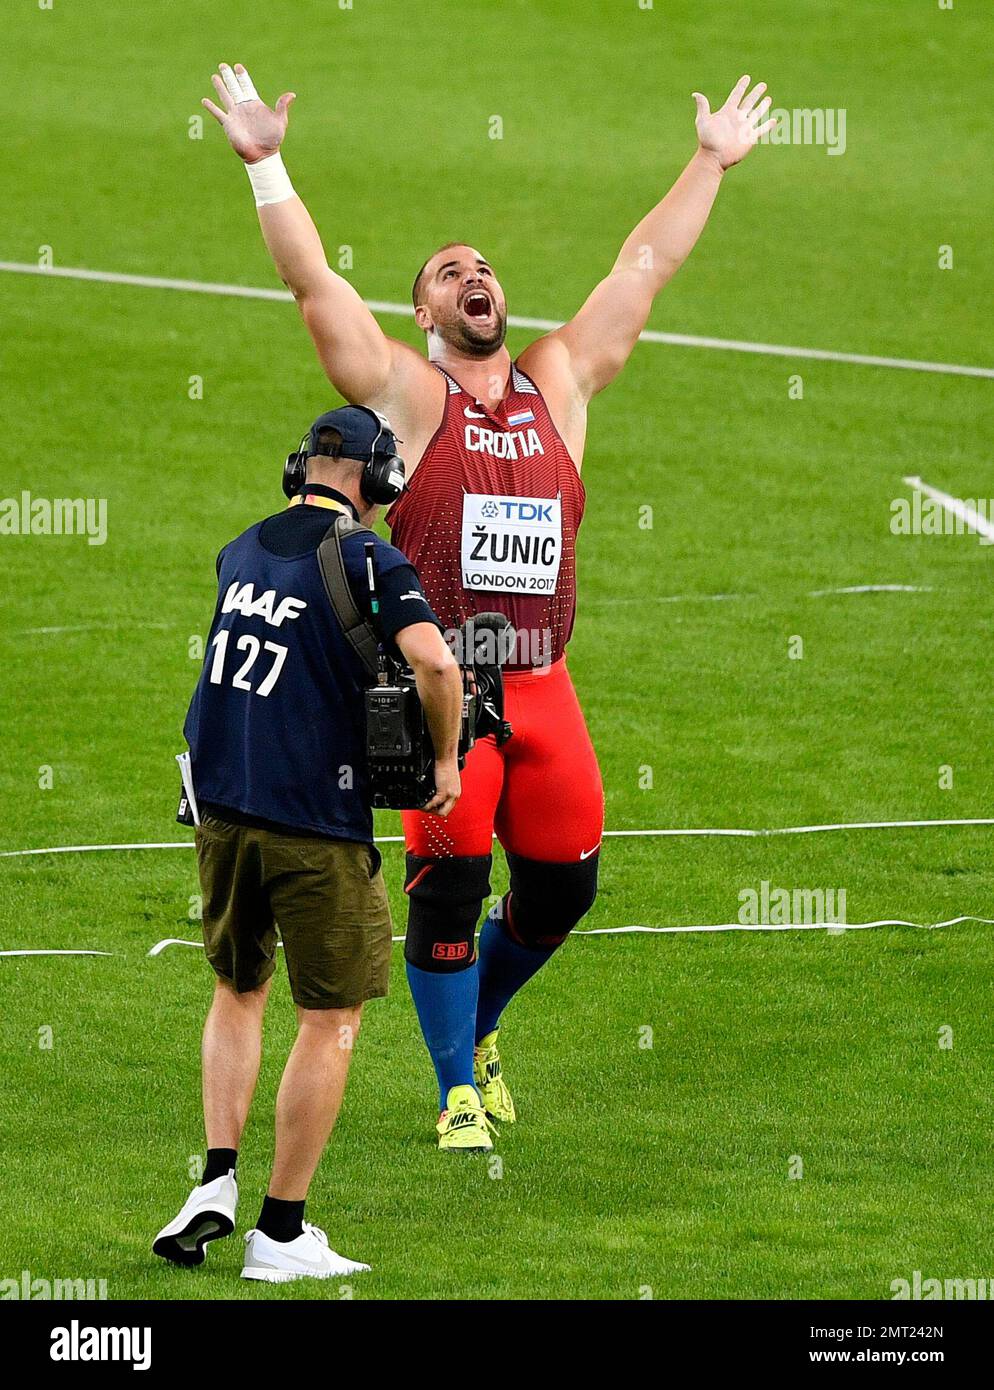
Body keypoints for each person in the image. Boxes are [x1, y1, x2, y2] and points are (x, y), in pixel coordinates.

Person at [202, 61, 775, 1152]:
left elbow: (644, 267)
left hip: (547, 686)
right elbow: (315, 287)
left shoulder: (561, 382)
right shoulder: (409, 398)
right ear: (423, 311)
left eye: (484, 267)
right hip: (447, 688)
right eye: (448, 271)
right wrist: (267, 166)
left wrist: (709, 162)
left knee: (562, 893)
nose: (474, 276)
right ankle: (455, 1087)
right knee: (450, 891)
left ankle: (484, 1022)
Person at [153, 406, 462, 1280]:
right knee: (330, 1019)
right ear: (377, 478)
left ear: (302, 468)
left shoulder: (242, 548)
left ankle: (215, 1180)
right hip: (314, 823)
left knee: (237, 988)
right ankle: (281, 1234)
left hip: (222, 810)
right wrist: (444, 759)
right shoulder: (371, 559)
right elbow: (436, 664)